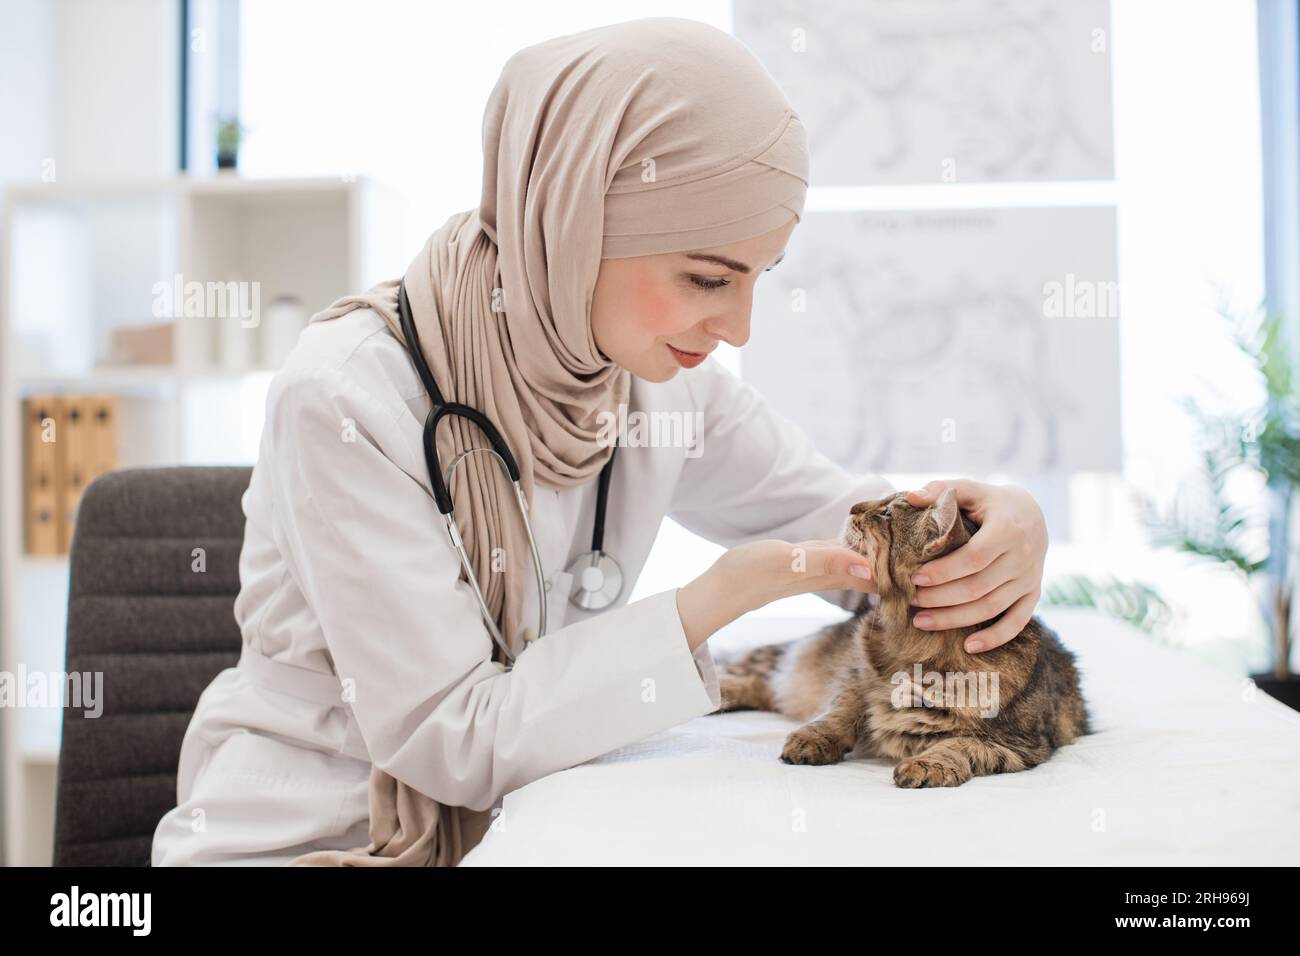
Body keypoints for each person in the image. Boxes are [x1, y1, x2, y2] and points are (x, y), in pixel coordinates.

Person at [151, 17, 1048, 867]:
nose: (738, 326)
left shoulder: (658, 386)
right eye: (707, 277)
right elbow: (453, 737)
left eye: (760, 278)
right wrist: (710, 603)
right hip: (312, 837)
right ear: (577, 222)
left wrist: (992, 528)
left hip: (529, 826)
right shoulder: (346, 397)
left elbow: (857, 540)